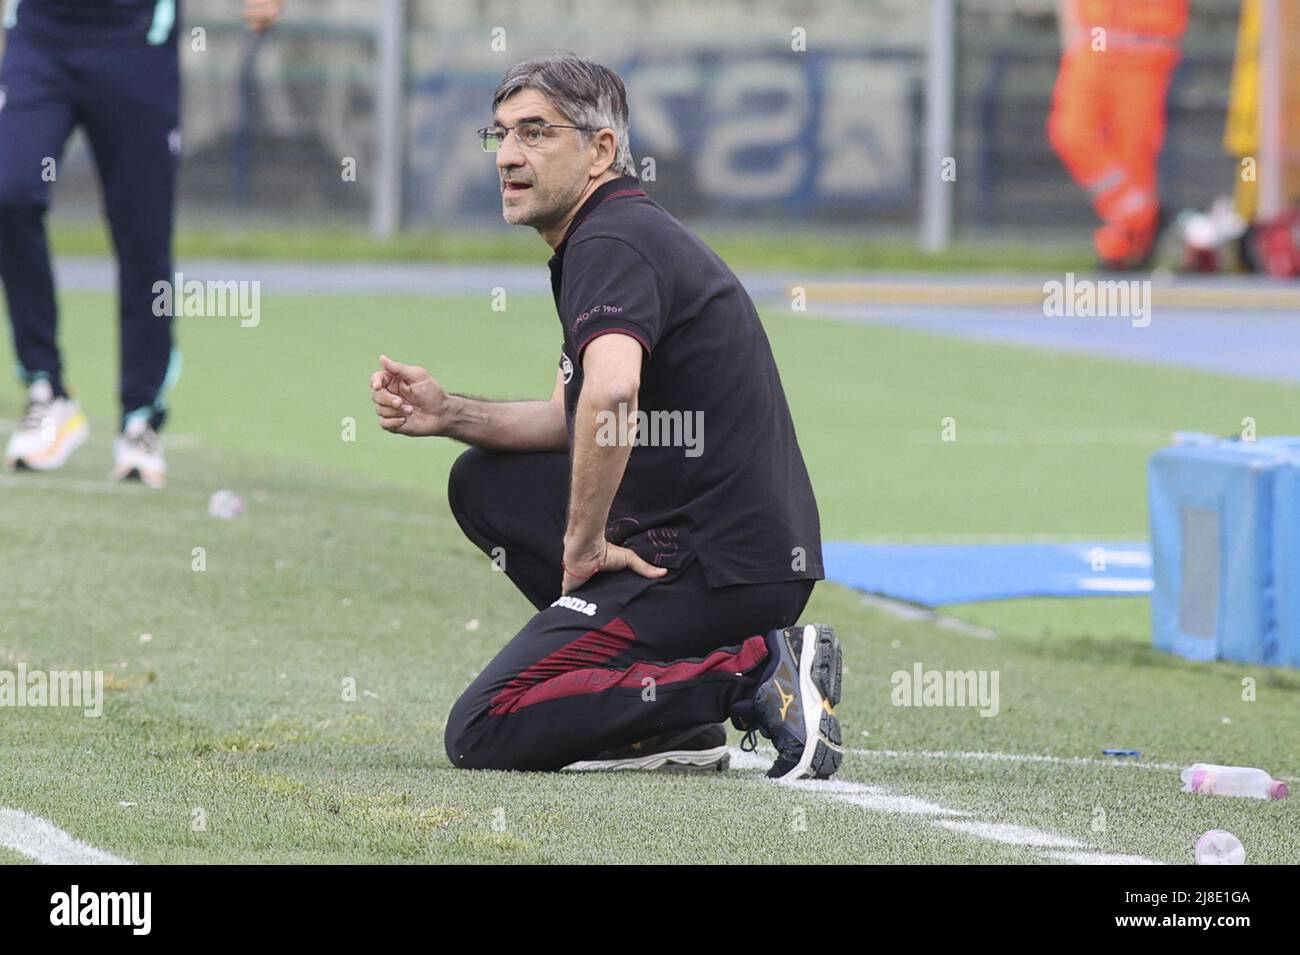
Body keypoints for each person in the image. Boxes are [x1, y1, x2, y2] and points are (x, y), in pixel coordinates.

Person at [370, 54, 842, 779]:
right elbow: (576, 416)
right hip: (729, 549)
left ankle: (752, 669)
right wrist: (449, 411)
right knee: (485, 483)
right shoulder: (610, 230)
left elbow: (613, 394)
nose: (508, 155)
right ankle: (673, 722)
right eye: (499, 134)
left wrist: (585, 541)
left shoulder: (610, 239)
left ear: (600, 150)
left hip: (717, 564)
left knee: (483, 727)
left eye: (535, 132)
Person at [0, 0, 284, 485]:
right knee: (10, 193)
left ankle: (140, 417)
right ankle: (48, 389)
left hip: (136, 41)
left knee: (143, 233)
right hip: (39, 35)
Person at [1047, 0, 1190, 270]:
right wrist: (1071, 35)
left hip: (1145, 47)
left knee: (1135, 154)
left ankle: (1125, 246)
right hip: (1094, 41)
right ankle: (1141, 216)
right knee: (1071, 132)